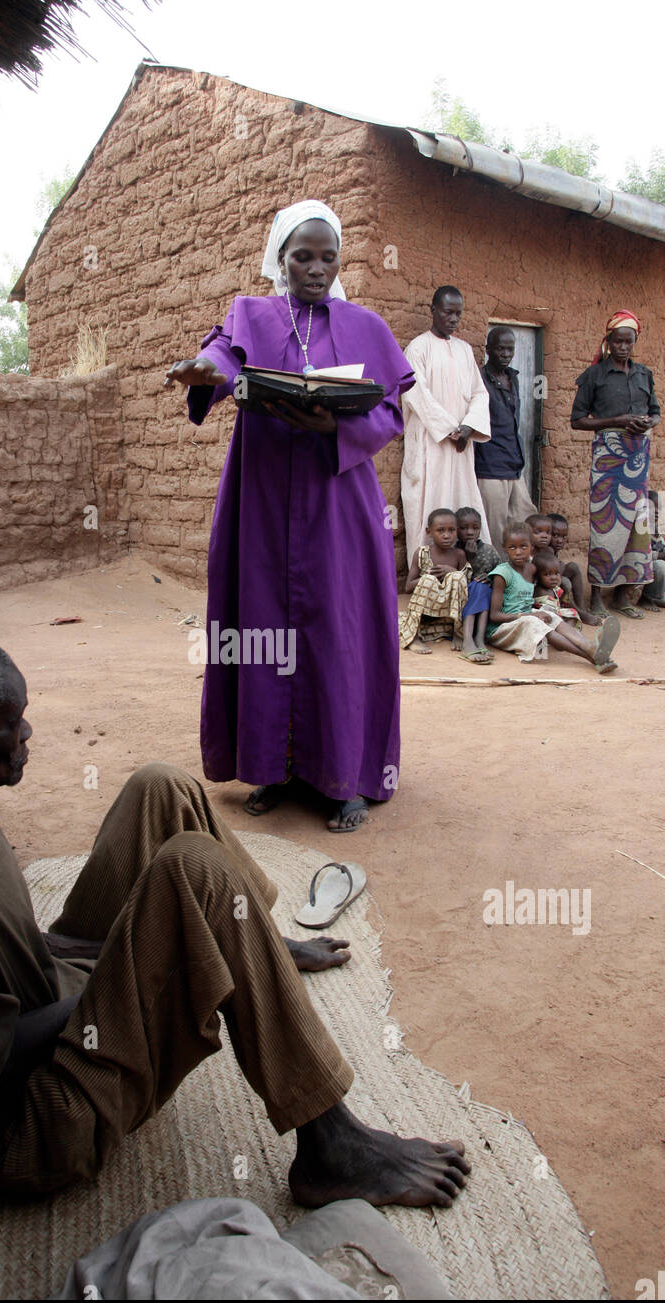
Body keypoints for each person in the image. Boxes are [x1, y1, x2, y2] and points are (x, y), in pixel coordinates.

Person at [0, 635, 470, 1207]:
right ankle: (330, 1144)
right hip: (37, 1117)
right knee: (190, 869)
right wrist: (124, 975)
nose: (28, 732)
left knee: (161, 787)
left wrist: (103, 957)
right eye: (10, 725)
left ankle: (248, 940)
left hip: (51, 985)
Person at [165, 201, 415, 833]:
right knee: (263, 625)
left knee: (340, 629)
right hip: (265, 498)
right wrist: (205, 372)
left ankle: (346, 777)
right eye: (303, 256)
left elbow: (388, 413)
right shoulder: (251, 312)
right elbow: (223, 357)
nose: (316, 268)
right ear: (280, 258)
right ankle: (272, 767)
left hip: (338, 501)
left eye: (328, 257)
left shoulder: (364, 325)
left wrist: (334, 421)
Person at [571, 310, 659, 619]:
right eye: (617, 341)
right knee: (606, 525)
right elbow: (577, 420)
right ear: (608, 341)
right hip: (608, 459)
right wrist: (617, 421)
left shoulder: (644, 374)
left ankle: (624, 596)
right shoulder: (594, 376)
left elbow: (656, 411)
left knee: (637, 527)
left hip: (638, 456)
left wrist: (649, 422)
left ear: (635, 341)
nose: (623, 346)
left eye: (628, 341)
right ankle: (596, 594)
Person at [401, 286, 491, 562]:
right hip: (432, 441)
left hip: (462, 444)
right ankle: (426, 568)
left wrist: (467, 428)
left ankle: (469, 567)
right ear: (434, 311)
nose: (453, 319)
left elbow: (479, 392)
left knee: (464, 498)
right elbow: (417, 394)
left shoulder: (464, 350)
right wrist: (451, 429)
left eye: (458, 314)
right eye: (448, 312)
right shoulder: (418, 348)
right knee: (428, 500)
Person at [487, 524, 621, 671]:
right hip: (501, 630)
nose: (518, 552)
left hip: (524, 621)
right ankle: (592, 655)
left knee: (551, 615)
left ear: (532, 547)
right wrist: (529, 614)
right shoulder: (502, 574)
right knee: (534, 621)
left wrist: (537, 612)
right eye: (512, 547)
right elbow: (495, 615)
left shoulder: (532, 568)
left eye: (523, 547)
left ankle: (589, 646)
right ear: (504, 548)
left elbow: (550, 575)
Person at [474, 327, 537, 548]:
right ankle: (499, 581)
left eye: (510, 349)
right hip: (490, 467)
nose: (506, 354)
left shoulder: (513, 378)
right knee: (496, 532)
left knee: (525, 525)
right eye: (500, 348)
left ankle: (520, 580)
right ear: (488, 349)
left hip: (515, 466)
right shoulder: (480, 380)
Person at [399, 508, 487, 661]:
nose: (447, 535)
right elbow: (407, 587)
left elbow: (465, 586)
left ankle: (458, 633)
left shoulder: (459, 555)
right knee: (428, 580)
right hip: (425, 613)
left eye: (451, 530)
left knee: (457, 576)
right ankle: (414, 637)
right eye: (440, 530)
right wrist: (428, 578)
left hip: (447, 615)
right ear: (429, 532)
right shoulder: (421, 553)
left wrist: (451, 571)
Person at [455, 506, 500, 660]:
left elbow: (501, 575)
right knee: (476, 585)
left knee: (481, 585)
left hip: (484, 607)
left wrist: (491, 578)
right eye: (463, 528)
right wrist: (469, 558)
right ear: (456, 529)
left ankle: (479, 639)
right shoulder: (451, 550)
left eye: (475, 528)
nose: (470, 532)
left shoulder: (489, 550)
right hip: (459, 602)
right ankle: (468, 639)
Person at [547, 513, 599, 624]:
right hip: (545, 587)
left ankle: (581, 609)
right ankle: (579, 612)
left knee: (573, 567)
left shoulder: (554, 550)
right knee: (564, 583)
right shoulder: (546, 551)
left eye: (564, 537)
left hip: (554, 579)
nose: (560, 540)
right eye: (555, 535)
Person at [531, 550, 582, 628]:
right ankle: (566, 633)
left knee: (573, 614)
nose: (554, 578)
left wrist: (564, 593)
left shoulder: (554, 589)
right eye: (547, 574)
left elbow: (563, 600)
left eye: (556, 573)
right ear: (537, 576)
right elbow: (548, 613)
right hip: (546, 619)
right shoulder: (540, 592)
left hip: (556, 615)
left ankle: (567, 631)